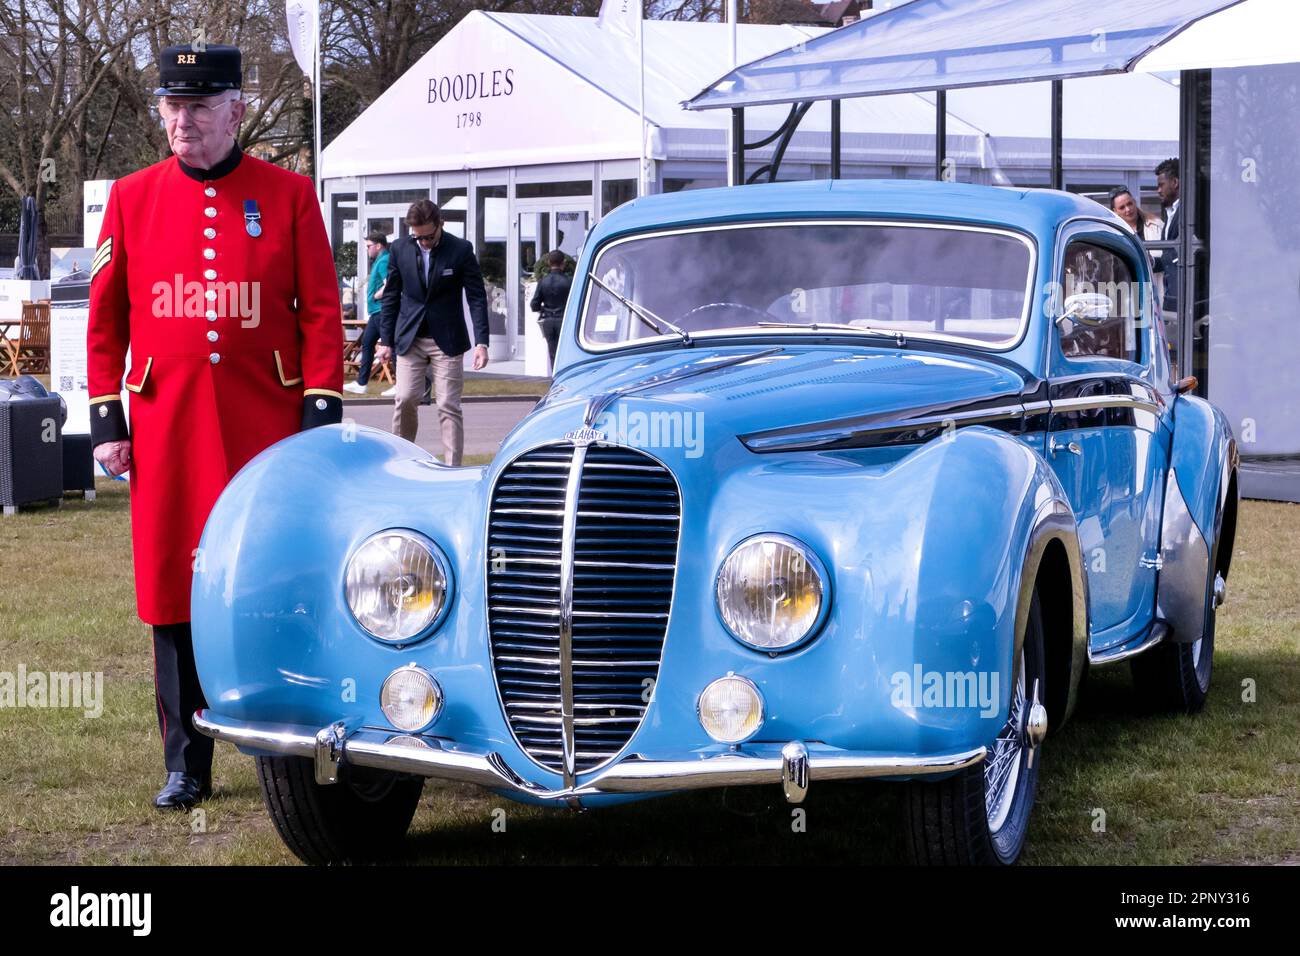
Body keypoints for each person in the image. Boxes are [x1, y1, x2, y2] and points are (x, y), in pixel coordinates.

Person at [86, 43, 343, 810]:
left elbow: (322, 313)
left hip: (263, 429)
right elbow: (106, 322)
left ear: (235, 110)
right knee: (171, 592)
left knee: (276, 581)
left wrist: (318, 414)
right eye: (171, 107)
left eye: (198, 108)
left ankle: (289, 745)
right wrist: (108, 417)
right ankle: (184, 763)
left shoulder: (290, 195)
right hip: (166, 431)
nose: (181, 122)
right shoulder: (132, 198)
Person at [375, 199, 489, 464]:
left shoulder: (460, 249)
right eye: (418, 237)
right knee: (404, 398)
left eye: (428, 236)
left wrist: (482, 341)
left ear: (441, 225)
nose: (424, 242)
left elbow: (476, 296)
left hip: (447, 339)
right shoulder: (400, 249)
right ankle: (401, 462)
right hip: (409, 337)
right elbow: (391, 296)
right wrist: (385, 340)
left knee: (448, 404)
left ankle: (452, 469)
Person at [344, 232, 390, 395]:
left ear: (378, 246)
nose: (367, 250)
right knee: (368, 342)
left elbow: (390, 283)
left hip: (382, 310)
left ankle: (402, 384)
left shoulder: (384, 260)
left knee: (391, 346)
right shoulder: (379, 260)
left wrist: (378, 294)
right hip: (376, 313)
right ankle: (362, 383)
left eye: (369, 246)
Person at [1151, 158, 1181, 368]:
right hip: (1173, 299)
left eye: (1161, 184)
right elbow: (1169, 258)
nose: (1158, 190)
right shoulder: (1170, 214)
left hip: (1184, 300)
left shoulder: (1188, 214)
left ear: (1175, 182)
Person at [530, 250, 571, 370]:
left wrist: (544, 308)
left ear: (548, 262)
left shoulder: (543, 281)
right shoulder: (569, 281)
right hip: (564, 320)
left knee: (552, 353)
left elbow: (534, 305)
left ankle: (554, 378)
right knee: (565, 353)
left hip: (548, 320)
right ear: (563, 263)